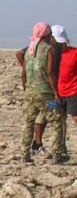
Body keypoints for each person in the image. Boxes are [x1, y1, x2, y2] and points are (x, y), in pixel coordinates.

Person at [16, 21, 63, 163]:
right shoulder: (49, 50)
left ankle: (25, 154)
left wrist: (26, 89)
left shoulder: (29, 50)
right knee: (56, 121)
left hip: (30, 93)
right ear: (47, 35)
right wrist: (56, 93)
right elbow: (50, 73)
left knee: (28, 122)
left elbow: (23, 73)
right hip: (46, 95)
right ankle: (57, 154)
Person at [52, 25, 73, 163]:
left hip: (68, 92)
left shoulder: (71, 53)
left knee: (66, 119)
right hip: (55, 93)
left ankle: (61, 148)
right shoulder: (49, 52)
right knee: (58, 120)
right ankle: (59, 149)